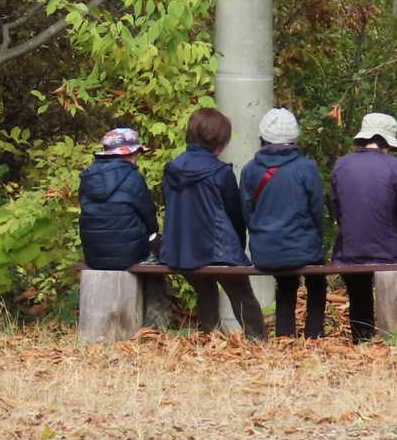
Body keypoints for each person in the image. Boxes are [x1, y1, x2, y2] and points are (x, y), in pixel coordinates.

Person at [161, 107, 263, 338]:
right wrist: (237, 245)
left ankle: (211, 336)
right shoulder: (220, 172)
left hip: (180, 250)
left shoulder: (172, 170)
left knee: (205, 290)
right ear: (220, 141)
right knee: (242, 295)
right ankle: (258, 343)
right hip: (218, 249)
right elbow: (235, 214)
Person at [329, 112, 397, 343]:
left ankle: (362, 341)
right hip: (391, 252)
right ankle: (396, 340)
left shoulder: (341, 165)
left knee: (359, 296)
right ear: (388, 142)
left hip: (351, 251)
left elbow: (336, 210)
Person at [240, 108, 326, 338]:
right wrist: (316, 236)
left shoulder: (250, 170)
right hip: (303, 248)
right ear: (294, 139)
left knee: (286, 284)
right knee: (317, 281)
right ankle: (314, 336)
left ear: (262, 138)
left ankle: (285, 335)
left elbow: (247, 213)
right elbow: (318, 211)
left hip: (265, 251)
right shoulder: (306, 168)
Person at [78, 127, 156, 271]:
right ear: (130, 153)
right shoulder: (133, 177)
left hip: (94, 257)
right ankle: (154, 294)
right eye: (137, 153)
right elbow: (149, 217)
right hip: (130, 256)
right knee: (155, 254)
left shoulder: (88, 177)